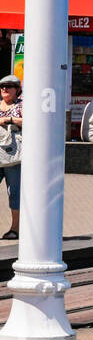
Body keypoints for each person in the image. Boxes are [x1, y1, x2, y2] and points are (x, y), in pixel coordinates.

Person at [0, 75, 21, 239]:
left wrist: (9, 119)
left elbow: (33, 121)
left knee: (14, 192)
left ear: (17, 89)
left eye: (9, 86)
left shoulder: (22, 105)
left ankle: (15, 228)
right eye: (2, 86)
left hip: (13, 156)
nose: (4, 89)